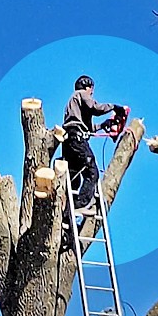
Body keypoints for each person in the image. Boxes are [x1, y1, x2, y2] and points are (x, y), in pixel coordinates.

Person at [59, 74, 124, 213]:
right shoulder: (81, 94)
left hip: (70, 142)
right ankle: (81, 204)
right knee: (92, 171)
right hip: (76, 139)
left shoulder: (74, 106)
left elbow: (87, 128)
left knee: (73, 180)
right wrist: (114, 107)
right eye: (91, 89)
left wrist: (103, 125)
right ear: (86, 86)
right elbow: (95, 108)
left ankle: (67, 213)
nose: (92, 92)